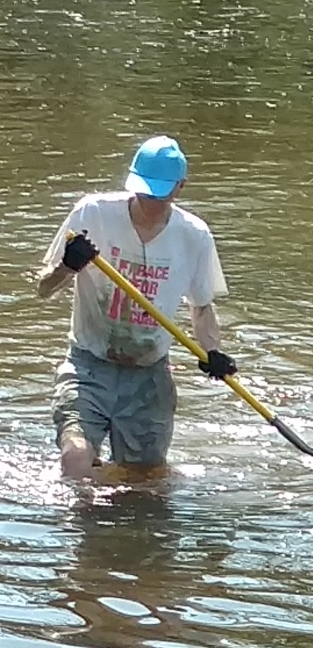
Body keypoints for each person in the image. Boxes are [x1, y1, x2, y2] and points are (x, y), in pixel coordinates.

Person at [34, 135, 236, 479]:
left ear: (180, 188)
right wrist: (67, 267)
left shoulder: (194, 236)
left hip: (148, 376)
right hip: (88, 365)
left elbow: (201, 307)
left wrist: (212, 351)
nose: (149, 201)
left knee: (144, 484)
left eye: (159, 193)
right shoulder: (92, 213)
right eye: (143, 191)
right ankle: (85, 525)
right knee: (76, 459)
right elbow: (43, 288)